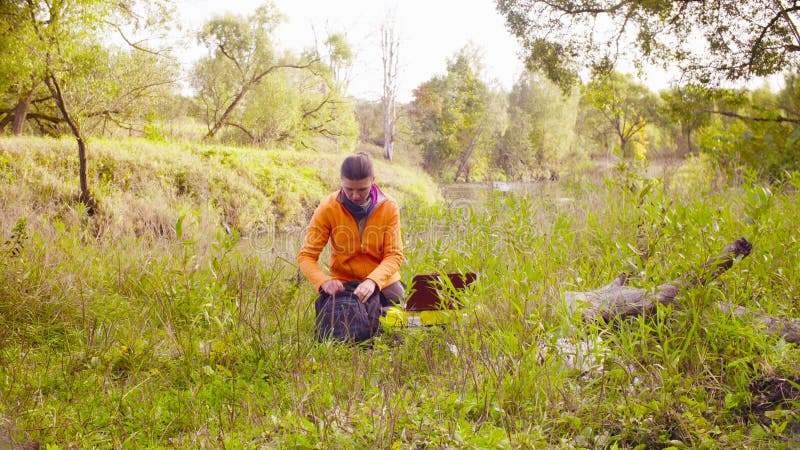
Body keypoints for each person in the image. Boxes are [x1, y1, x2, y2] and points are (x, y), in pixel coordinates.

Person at [298, 152, 405, 311]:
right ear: (341, 182)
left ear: (373, 181)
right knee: (342, 321)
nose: (355, 196)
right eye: (349, 189)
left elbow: (394, 255)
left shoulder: (389, 206)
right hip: (344, 284)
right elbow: (306, 256)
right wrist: (324, 281)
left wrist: (373, 281)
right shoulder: (328, 207)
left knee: (402, 313)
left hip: (383, 281)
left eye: (362, 189)